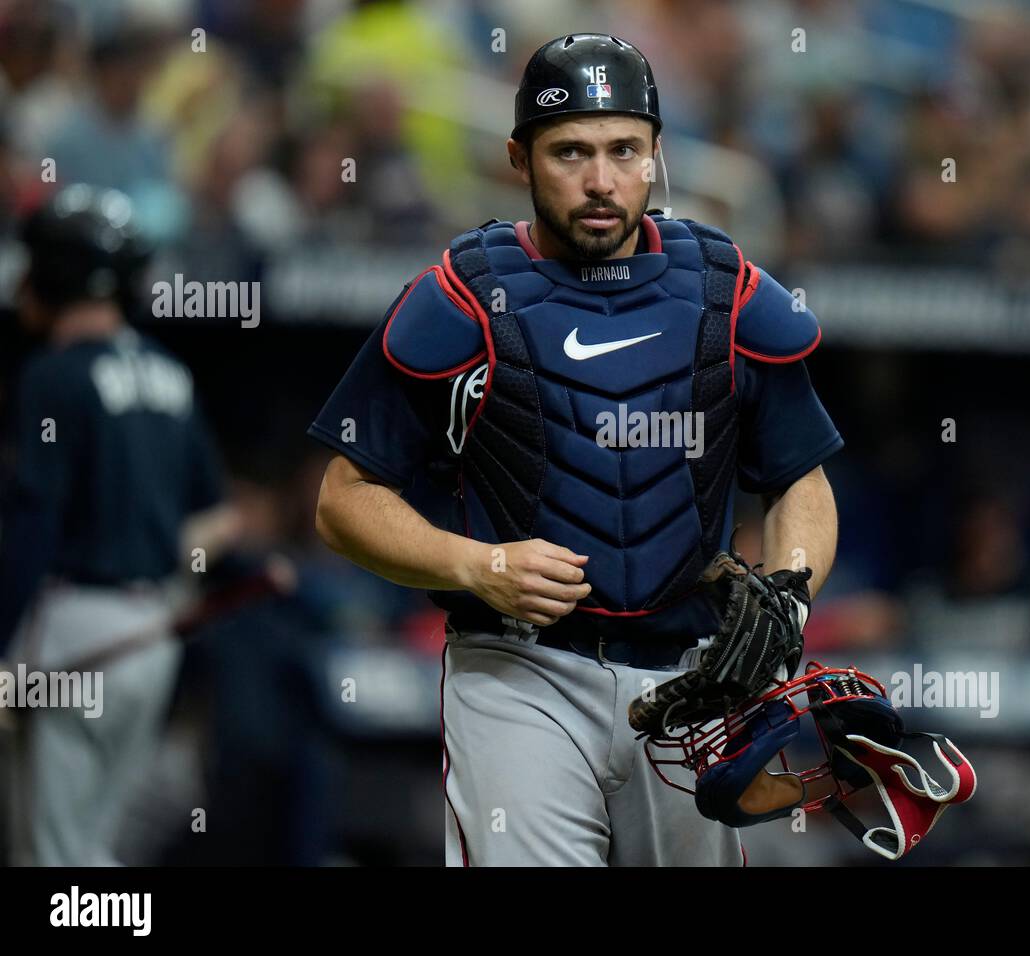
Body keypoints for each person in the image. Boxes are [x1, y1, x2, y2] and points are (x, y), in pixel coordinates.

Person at [311, 34, 842, 866]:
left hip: (693, 683)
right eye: (571, 153)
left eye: (623, 150)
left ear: (656, 154)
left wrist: (789, 595)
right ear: (519, 158)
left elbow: (798, 481)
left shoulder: (726, 291)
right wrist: (474, 565)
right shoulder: (461, 297)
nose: (601, 180)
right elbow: (343, 500)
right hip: (521, 673)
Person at [0, 184, 232, 865]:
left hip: (73, 628)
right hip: (150, 631)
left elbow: (34, 524)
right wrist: (159, 562)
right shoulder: (168, 372)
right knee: (92, 848)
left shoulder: (54, 375)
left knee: (52, 856)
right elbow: (218, 519)